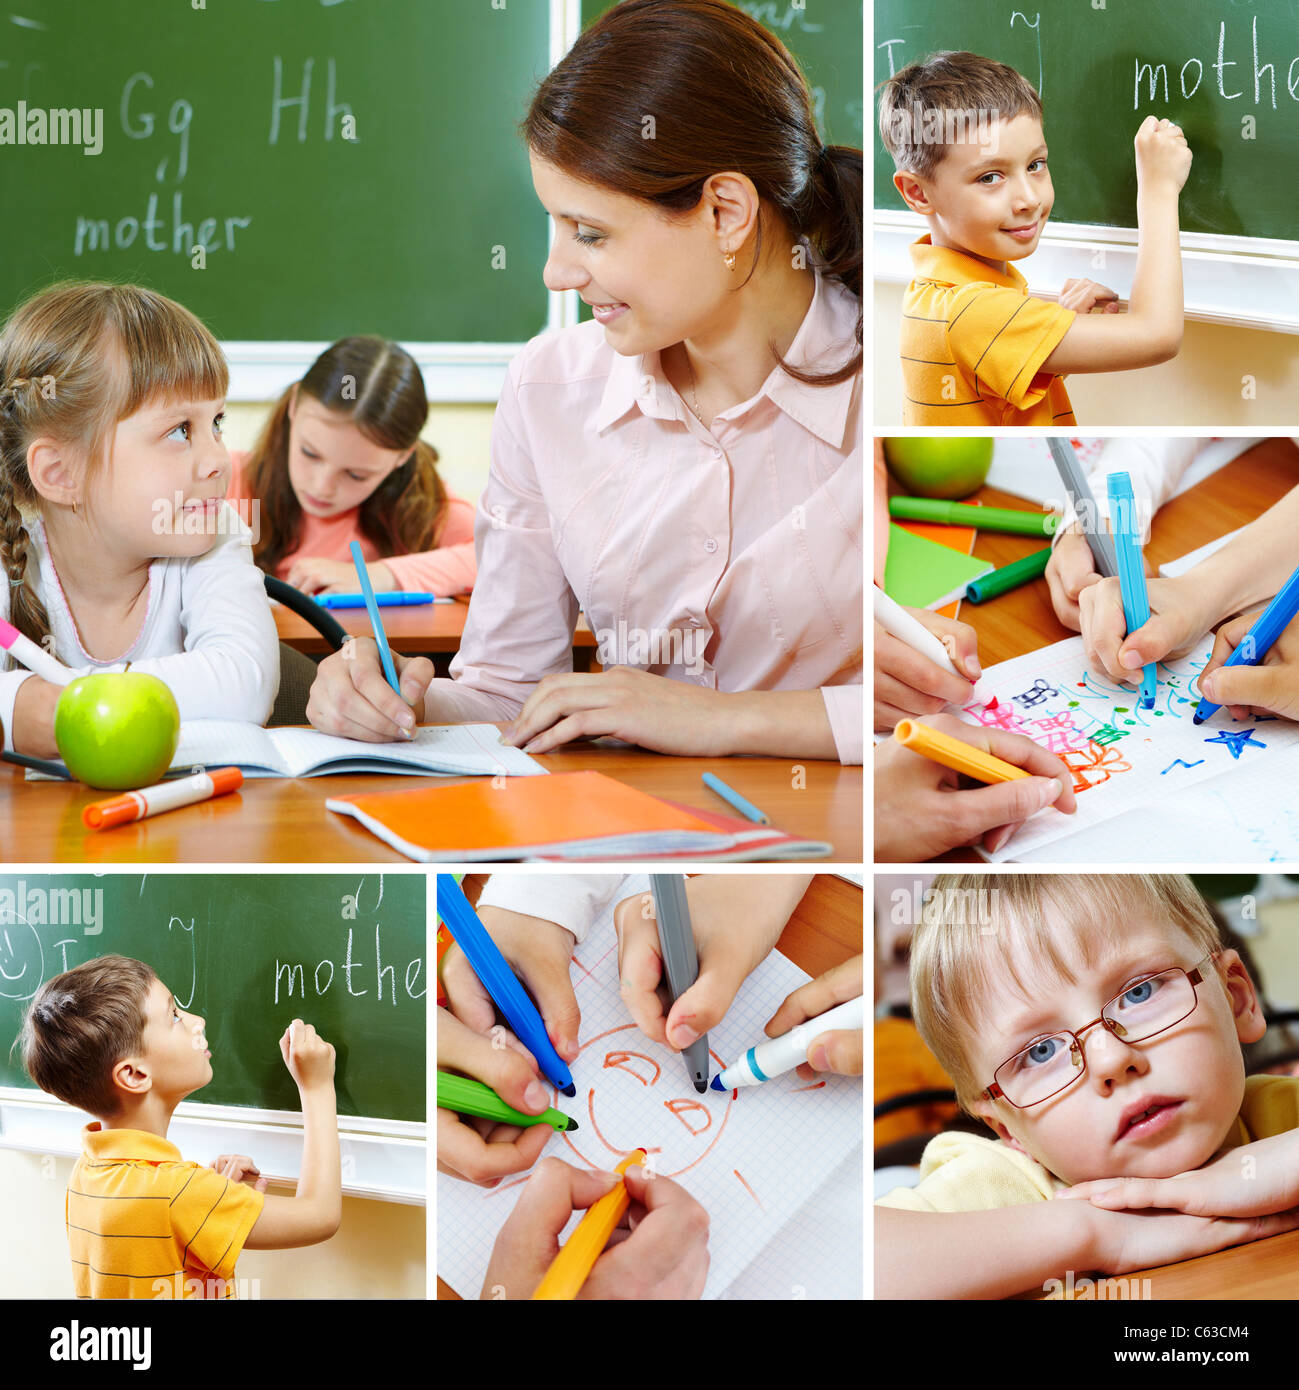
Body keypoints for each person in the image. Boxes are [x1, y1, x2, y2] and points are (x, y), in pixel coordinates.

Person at [305, 0, 863, 764]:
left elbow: (954, 690)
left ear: (726, 211)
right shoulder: (547, 387)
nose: (556, 272)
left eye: (591, 233)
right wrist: (394, 700)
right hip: (613, 835)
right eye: (556, 227)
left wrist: (719, 720)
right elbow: (506, 693)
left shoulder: (895, 385)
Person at [875, 875, 1299, 1299]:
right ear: (1007, 1130)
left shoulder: (1281, 1118)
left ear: (1235, 997)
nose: (1112, 1059)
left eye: (1140, 992)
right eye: (1040, 1052)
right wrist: (1098, 1235)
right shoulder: (1001, 1190)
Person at [0, 282, 278, 758]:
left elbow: (246, 682)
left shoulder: (214, 531)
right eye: (178, 430)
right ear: (61, 473)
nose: (218, 460)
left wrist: (68, 700)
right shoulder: (10, 553)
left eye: (217, 423)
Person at [879, 51, 1191, 426]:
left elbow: (999, 395)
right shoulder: (972, 312)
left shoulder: (940, 295)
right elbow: (1157, 335)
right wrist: (1159, 188)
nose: (1028, 199)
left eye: (1035, 165)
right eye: (990, 177)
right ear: (918, 193)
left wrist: (1048, 331)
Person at [20, 955, 341, 1299]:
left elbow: (154, 1234)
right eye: (174, 1016)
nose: (197, 1021)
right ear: (135, 1075)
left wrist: (214, 1199)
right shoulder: (179, 1193)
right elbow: (320, 1215)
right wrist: (316, 1087)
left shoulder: (87, 1174)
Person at [229, 336, 476, 597]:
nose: (321, 487)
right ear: (294, 406)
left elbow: (499, 554)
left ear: (402, 457)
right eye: (310, 453)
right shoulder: (224, 481)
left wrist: (378, 575)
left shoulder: (422, 507)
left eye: (356, 475)